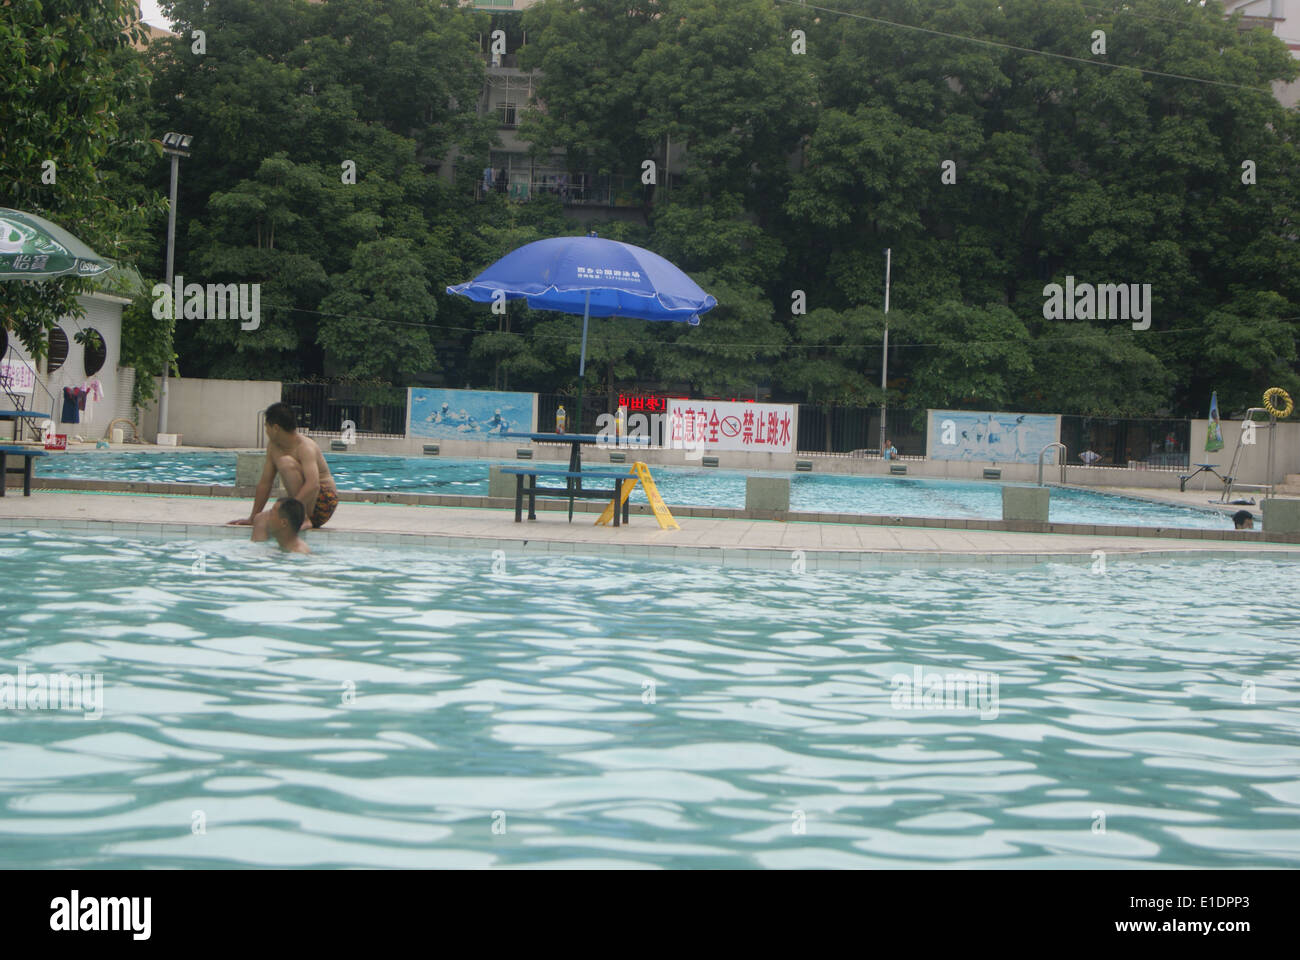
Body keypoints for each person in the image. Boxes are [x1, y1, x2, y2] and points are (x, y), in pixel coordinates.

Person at [230, 402, 338, 534]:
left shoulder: (305, 447)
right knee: (263, 519)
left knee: (286, 462)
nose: (266, 431)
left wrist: (289, 510)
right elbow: (265, 483)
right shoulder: (273, 446)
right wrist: (253, 517)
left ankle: (303, 519)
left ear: (275, 428)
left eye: (266, 427)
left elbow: (313, 484)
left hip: (324, 502)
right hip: (302, 504)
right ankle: (298, 516)